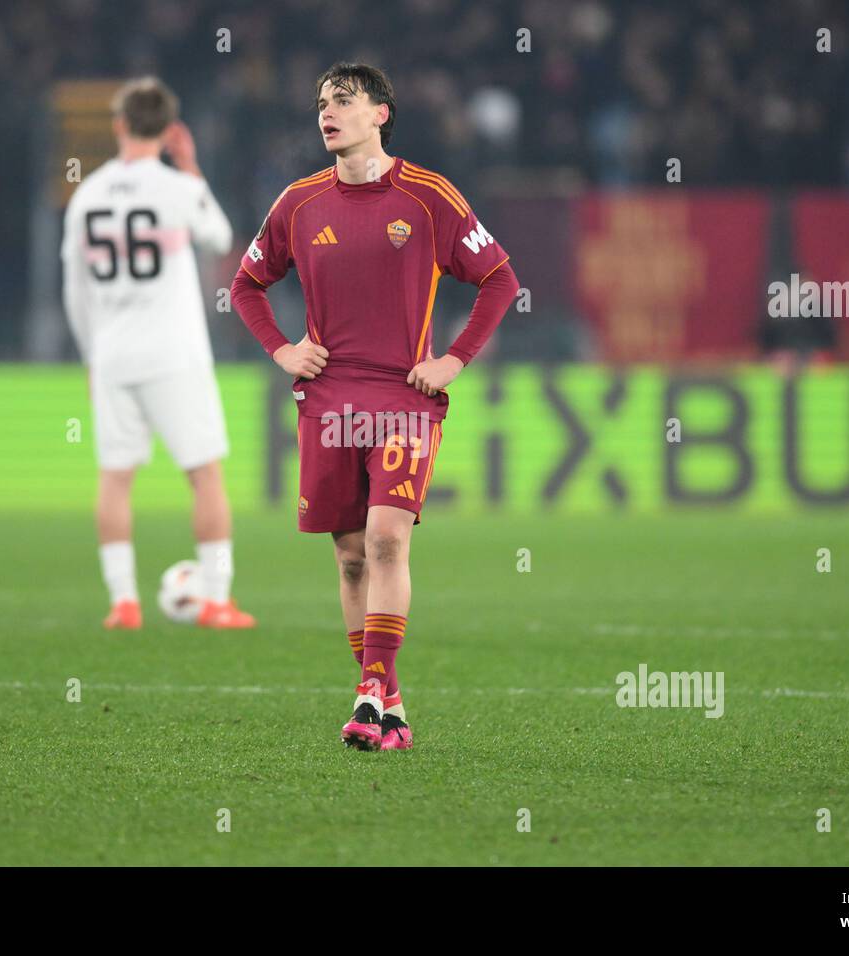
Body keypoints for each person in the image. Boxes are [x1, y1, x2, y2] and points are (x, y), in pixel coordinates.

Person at [231, 63, 519, 749]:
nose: (327, 113)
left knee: (389, 536)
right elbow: (246, 285)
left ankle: (368, 692)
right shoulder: (297, 204)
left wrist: (451, 360)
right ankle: (388, 709)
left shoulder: (428, 196)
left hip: (403, 397)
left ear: (381, 113)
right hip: (328, 400)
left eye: (344, 101)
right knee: (352, 556)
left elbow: (499, 279)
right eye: (321, 103)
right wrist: (281, 350)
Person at [62, 77, 255, 630]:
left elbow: (75, 292)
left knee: (115, 477)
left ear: (119, 125)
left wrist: (90, 357)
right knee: (205, 475)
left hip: (113, 353)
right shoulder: (176, 187)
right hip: (174, 351)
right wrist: (191, 167)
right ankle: (216, 600)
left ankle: (123, 603)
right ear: (170, 129)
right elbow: (219, 238)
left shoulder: (88, 195)